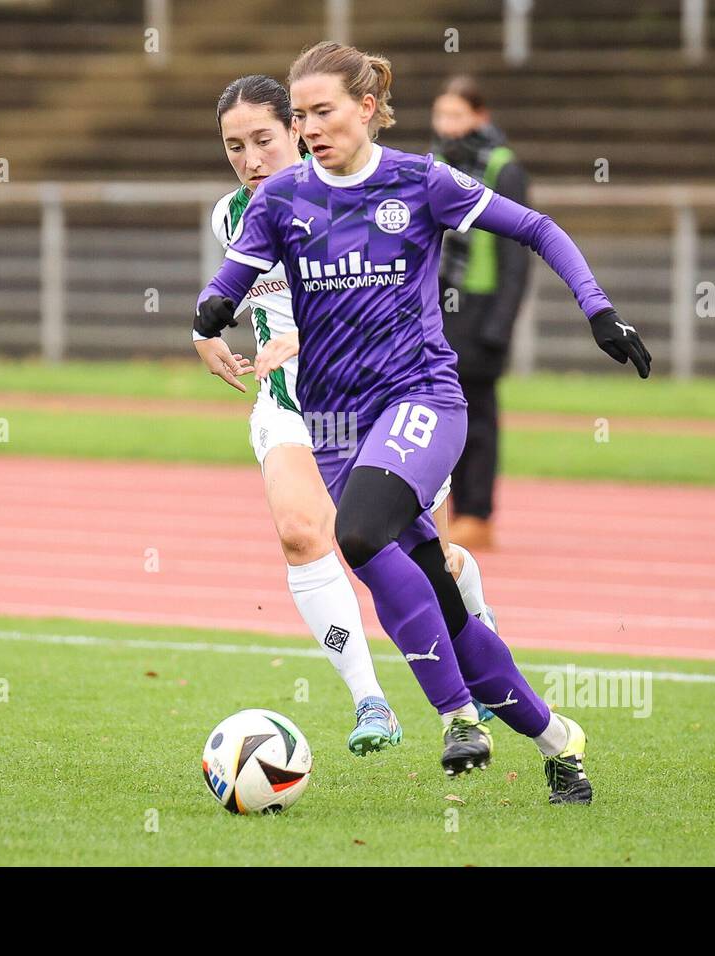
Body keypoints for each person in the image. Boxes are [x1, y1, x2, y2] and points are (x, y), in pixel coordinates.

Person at [196, 42, 651, 803]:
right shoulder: (280, 202)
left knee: (358, 533)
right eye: (300, 115)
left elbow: (537, 228)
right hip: (334, 421)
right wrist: (207, 316)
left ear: (366, 108)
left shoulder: (420, 181)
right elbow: (229, 282)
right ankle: (556, 738)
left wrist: (599, 310)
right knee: (437, 598)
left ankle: (455, 716)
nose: (309, 128)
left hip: (421, 400)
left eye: (321, 112)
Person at [192, 74, 498, 756]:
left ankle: (480, 660)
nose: (249, 159)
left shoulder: (357, 195)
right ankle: (371, 702)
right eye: (233, 147)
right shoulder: (231, 215)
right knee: (303, 534)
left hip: (382, 401)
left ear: (299, 130)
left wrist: (309, 332)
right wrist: (204, 336)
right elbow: (231, 294)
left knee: (426, 563)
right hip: (291, 407)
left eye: (263, 140)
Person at [431, 76, 530, 551]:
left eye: (457, 116)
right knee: (443, 409)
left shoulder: (503, 168)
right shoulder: (437, 165)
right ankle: (447, 510)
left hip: (483, 306)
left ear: (480, 117)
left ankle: (477, 513)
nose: (447, 126)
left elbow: (517, 257)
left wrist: (501, 324)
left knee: (479, 415)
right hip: (442, 303)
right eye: (441, 115)